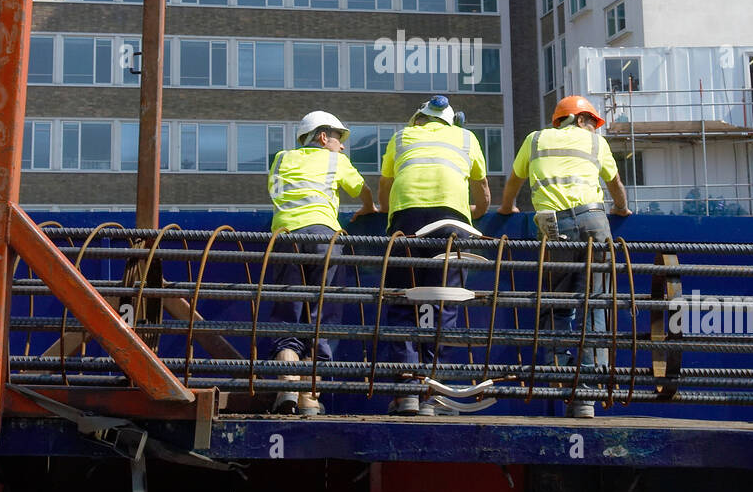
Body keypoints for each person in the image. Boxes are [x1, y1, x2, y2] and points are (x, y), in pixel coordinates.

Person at [497, 94, 631, 417]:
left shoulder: (535, 140)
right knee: (594, 303)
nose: (595, 129)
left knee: (556, 305)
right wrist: (622, 209)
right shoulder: (596, 145)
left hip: (554, 228)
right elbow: (616, 188)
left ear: (560, 120)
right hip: (594, 222)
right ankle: (584, 392)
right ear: (583, 120)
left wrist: (506, 209)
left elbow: (513, 183)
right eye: (593, 123)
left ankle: (560, 369)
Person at [377, 95, 491, 414]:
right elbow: (483, 192)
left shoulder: (401, 137)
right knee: (441, 305)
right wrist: (476, 212)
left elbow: (384, 188)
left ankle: (407, 392)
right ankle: (430, 393)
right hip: (453, 224)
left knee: (404, 303)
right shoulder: (466, 138)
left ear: (419, 119)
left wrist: (384, 212)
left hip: (407, 222)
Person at [266, 110, 376, 414]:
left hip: (284, 238)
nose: (342, 147)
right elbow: (362, 190)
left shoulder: (280, 159)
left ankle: (287, 388)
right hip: (322, 237)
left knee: (288, 316)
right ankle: (310, 399)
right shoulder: (335, 161)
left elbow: (274, 192)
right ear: (323, 137)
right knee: (323, 317)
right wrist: (369, 207)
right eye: (338, 139)